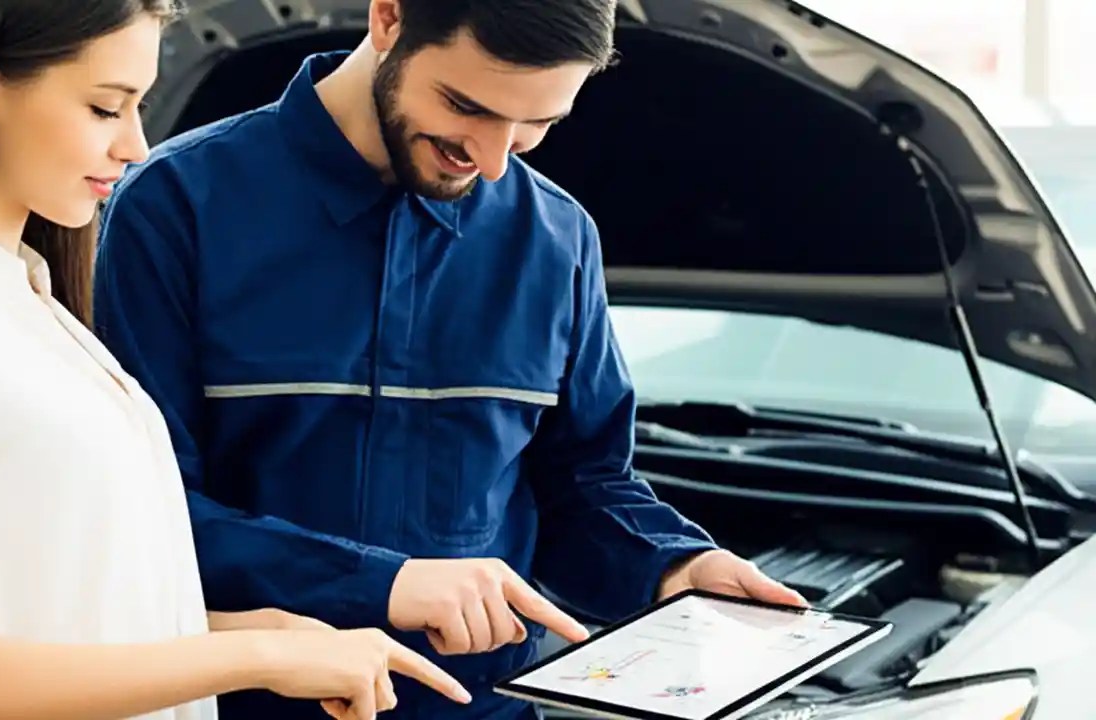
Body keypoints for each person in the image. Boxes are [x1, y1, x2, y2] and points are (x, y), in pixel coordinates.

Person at [94, 1, 806, 718]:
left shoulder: (557, 237)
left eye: (537, 125)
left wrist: (675, 566)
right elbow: (142, 519)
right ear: (389, 18)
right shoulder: (173, 206)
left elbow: (583, 486)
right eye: (467, 105)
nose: (493, 159)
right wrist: (384, 584)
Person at [0, 1, 473, 719]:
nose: (135, 144)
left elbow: (83, 618)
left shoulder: (35, 304)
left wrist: (275, 633)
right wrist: (261, 655)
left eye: (140, 107)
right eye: (105, 108)